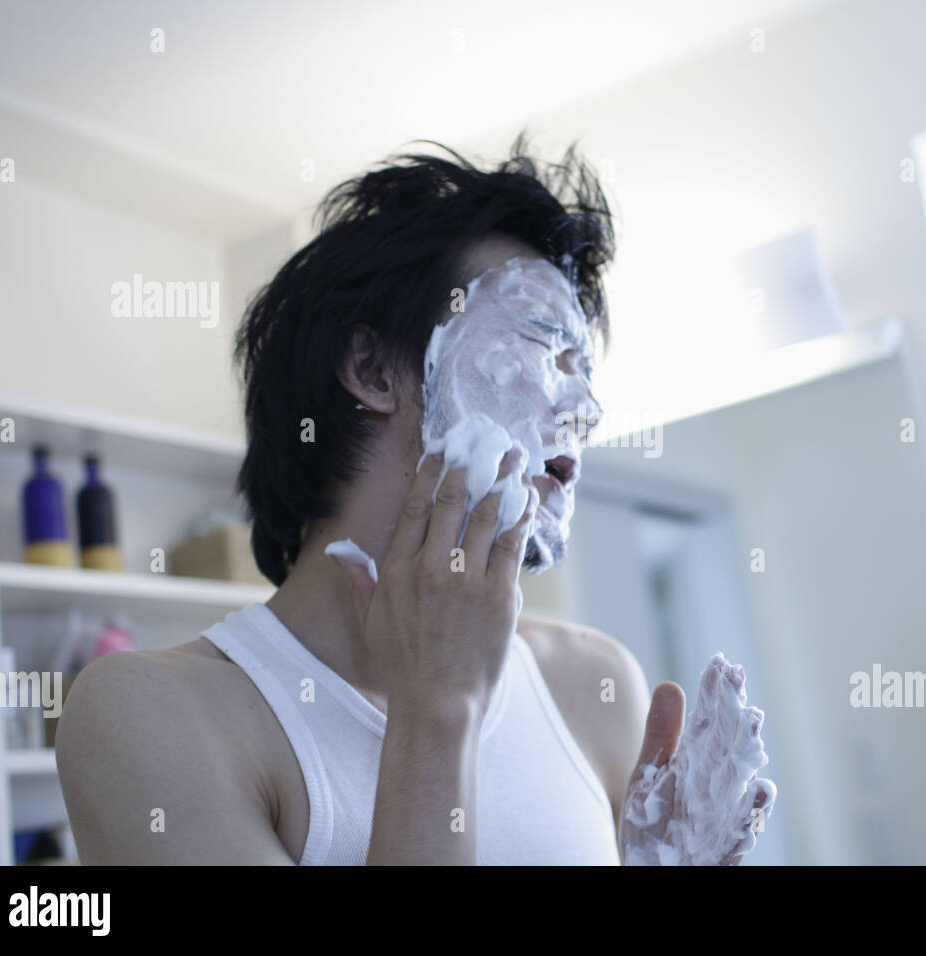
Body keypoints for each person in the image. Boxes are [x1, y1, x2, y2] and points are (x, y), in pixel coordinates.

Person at [57, 135, 754, 865]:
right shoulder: (150, 715)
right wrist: (435, 712)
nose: (587, 406)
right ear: (373, 369)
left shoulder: (595, 685)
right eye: (547, 348)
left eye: (586, 368)